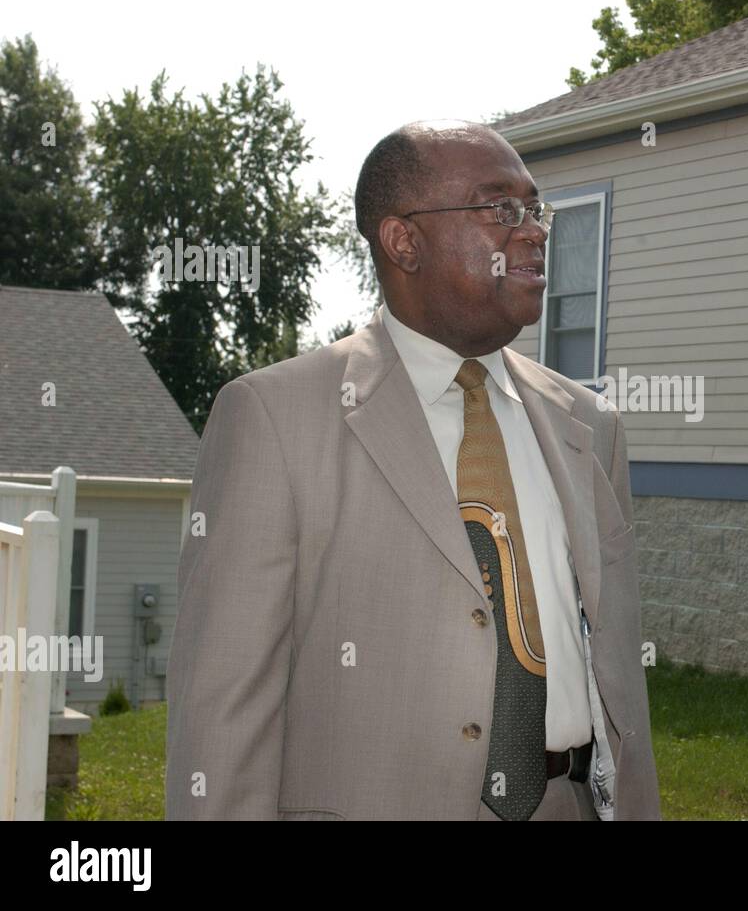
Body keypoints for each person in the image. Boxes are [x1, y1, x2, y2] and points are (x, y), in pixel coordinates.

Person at [166, 120, 659, 821]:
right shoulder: (272, 418)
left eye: (534, 207)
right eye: (499, 208)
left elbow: (620, 691)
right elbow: (222, 713)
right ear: (403, 241)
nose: (534, 231)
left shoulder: (591, 425)